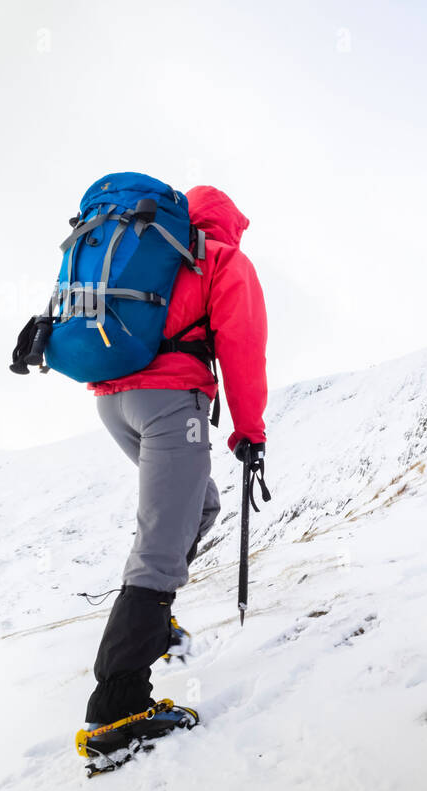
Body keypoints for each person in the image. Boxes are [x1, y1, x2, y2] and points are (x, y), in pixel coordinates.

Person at [82, 185, 268, 743]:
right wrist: (248, 430)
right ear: (229, 224)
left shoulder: (147, 248)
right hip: (170, 403)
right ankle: (117, 710)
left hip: (113, 401)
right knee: (161, 547)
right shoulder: (220, 258)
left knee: (198, 506)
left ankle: (154, 626)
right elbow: (241, 345)